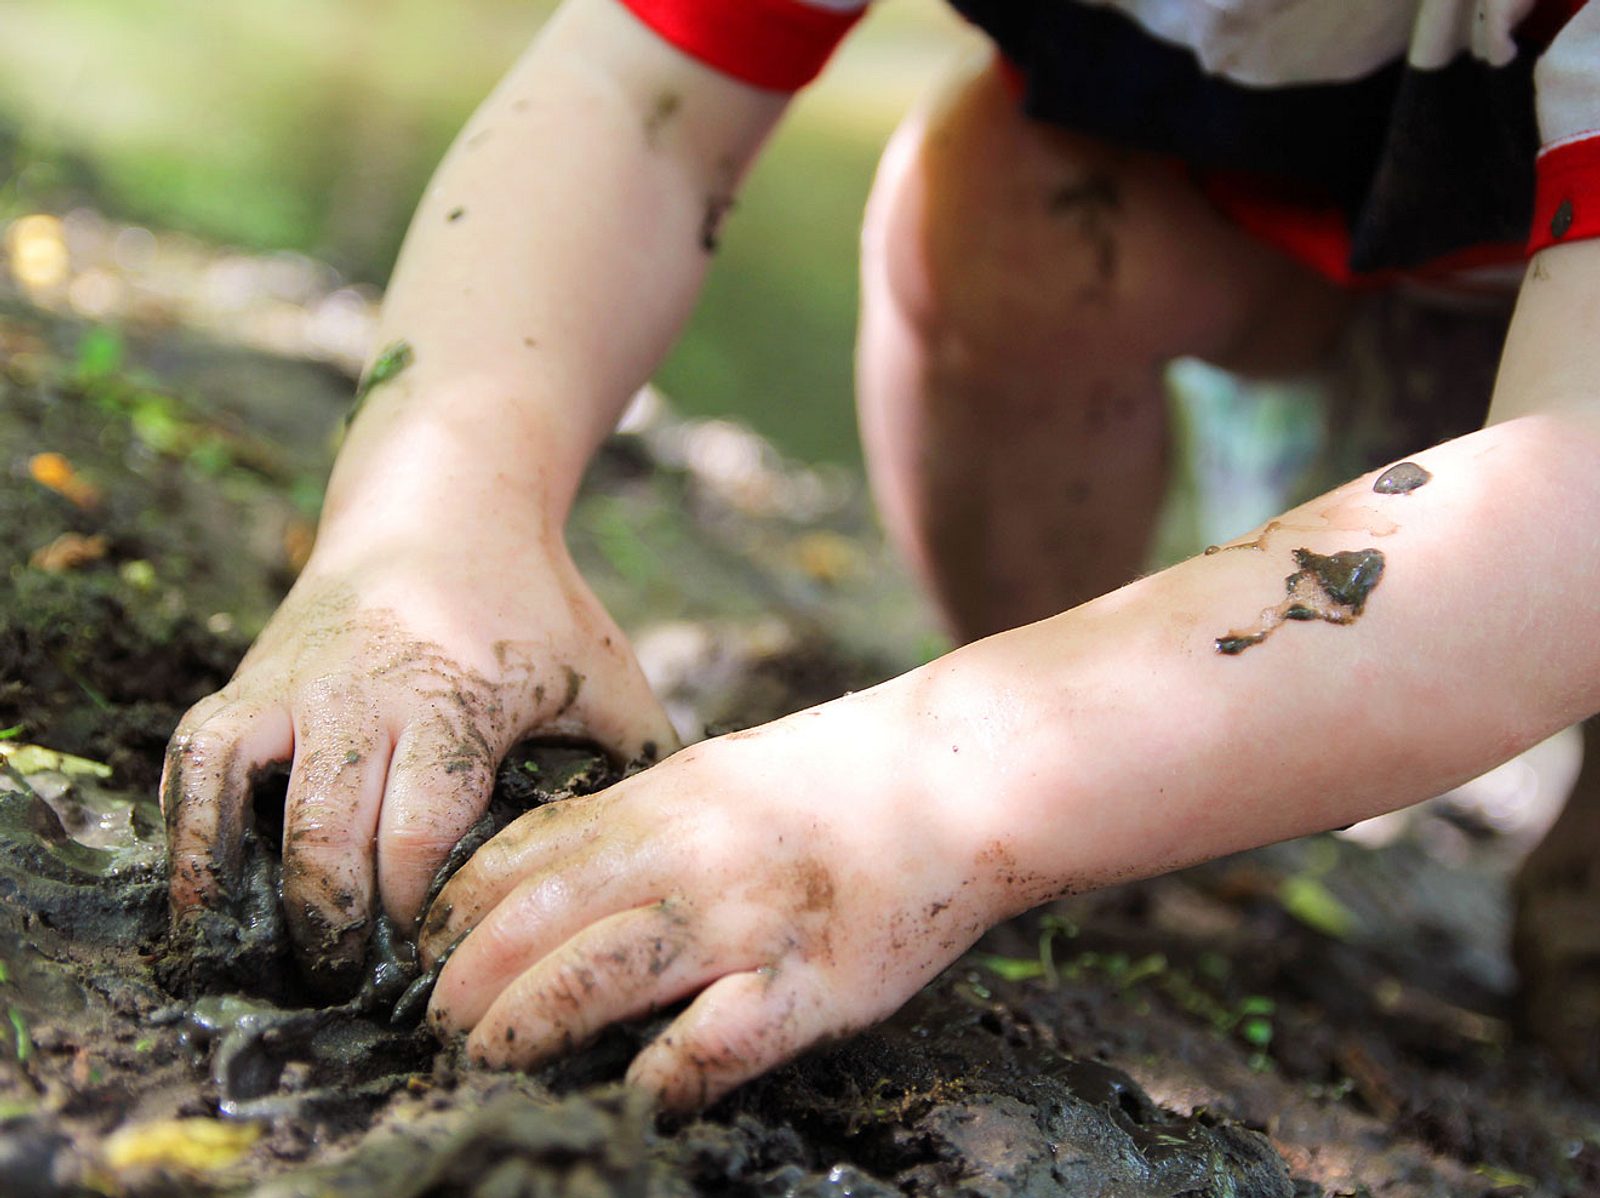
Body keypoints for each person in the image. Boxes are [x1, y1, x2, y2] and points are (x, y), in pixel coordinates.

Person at [161, 0, 1600, 1109]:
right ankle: (1130, 813)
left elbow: (1566, 500)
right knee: (1013, 202)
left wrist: (930, 779)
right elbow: (639, 90)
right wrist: (437, 515)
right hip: (1293, 225)